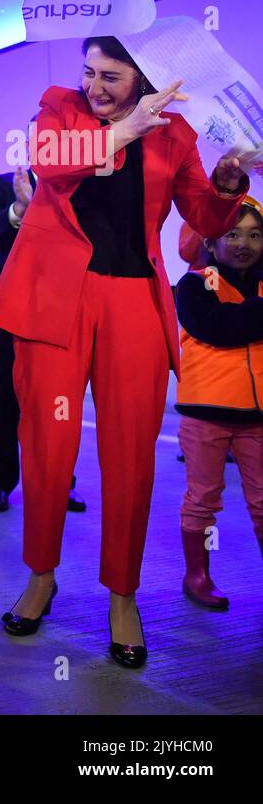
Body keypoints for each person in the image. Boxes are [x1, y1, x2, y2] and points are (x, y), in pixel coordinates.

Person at [0, 36, 250, 668]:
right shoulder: (59, 108)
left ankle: (123, 596)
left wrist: (226, 184)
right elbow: (51, 165)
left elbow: (207, 220)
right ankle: (41, 575)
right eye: (89, 72)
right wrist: (123, 129)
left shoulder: (176, 132)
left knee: (132, 453)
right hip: (54, 299)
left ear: (142, 77)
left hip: (134, 298)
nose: (95, 87)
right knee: (48, 445)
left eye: (111, 76)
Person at [0, 157, 86, 513]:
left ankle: (57, 483)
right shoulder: (1, 183)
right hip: (9, 305)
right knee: (3, 399)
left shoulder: (82, 183)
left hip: (62, 305)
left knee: (58, 403)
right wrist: (19, 209)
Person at [173, 195, 263, 608]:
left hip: (257, 415)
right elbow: (219, 327)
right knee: (203, 498)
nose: (244, 242)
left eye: (255, 234)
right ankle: (198, 575)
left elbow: (232, 322)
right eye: (233, 233)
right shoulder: (194, 284)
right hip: (204, 413)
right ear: (210, 242)